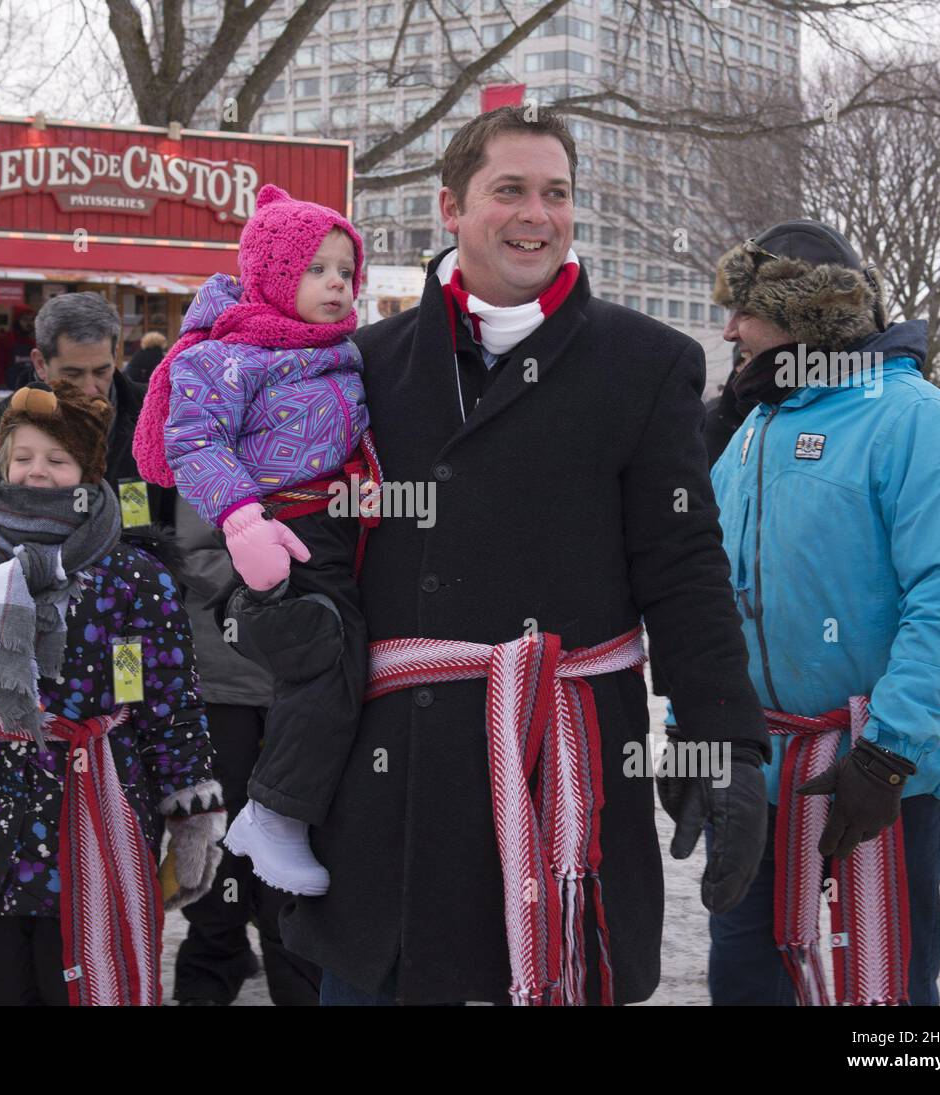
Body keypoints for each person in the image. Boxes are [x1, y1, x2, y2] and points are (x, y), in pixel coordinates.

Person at [276, 105, 770, 1006]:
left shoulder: (645, 363)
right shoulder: (360, 364)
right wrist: (285, 614)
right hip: (394, 783)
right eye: (509, 190)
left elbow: (685, 562)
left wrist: (722, 744)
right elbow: (317, 554)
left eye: (557, 194)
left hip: (570, 761)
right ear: (450, 208)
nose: (535, 214)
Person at [695, 219, 940, 1005]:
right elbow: (707, 594)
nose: (729, 330)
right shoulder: (754, 427)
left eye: (745, 310)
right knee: (746, 979)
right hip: (762, 774)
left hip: (882, 777)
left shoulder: (913, 419)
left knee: (884, 987)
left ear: (809, 316)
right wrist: (695, 730)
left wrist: (886, 754)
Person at [0, 381, 225, 1005]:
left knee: (81, 982)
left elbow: (170, 702)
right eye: (24, 457)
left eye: (56, 459)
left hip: (100, 807)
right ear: (2, 466)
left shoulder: (132, 578)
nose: (37, 471)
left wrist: (191, 817)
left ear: (87, 474)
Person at [134, 184, 378, 898]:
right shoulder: (229, 355)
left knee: (350, 661)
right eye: (316, 268)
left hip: (339, 523)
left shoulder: (338, 350)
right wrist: (242, 522)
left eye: (344, 270)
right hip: (282, 528)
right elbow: (194, 439)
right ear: (272, 273)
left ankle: (292, 809)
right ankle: (273, 812)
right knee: (327, 660)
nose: (336, 283)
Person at [170, 494, 322, 1006]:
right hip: (225, 680)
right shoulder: (212, 455)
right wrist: (289, 581)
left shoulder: (322, 440)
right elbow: (196, 555)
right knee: (223, 830)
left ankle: (293, 967)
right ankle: (215, 958)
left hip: (305, 682)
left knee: (295, 833)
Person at [0, 291, 167, 524]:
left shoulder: (159, 414)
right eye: (72, 374)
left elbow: (184, 535)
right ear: (41, 364)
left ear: (115, 355)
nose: (90, 388)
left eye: (102, 371)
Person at [0, 304, 36, 391]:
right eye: (25, 319)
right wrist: (1, 387)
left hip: (27, 391)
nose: (29, 324)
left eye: (32, 320)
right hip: (5, 391)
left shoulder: (33, 343)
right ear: (16, 321)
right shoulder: (1, 341)